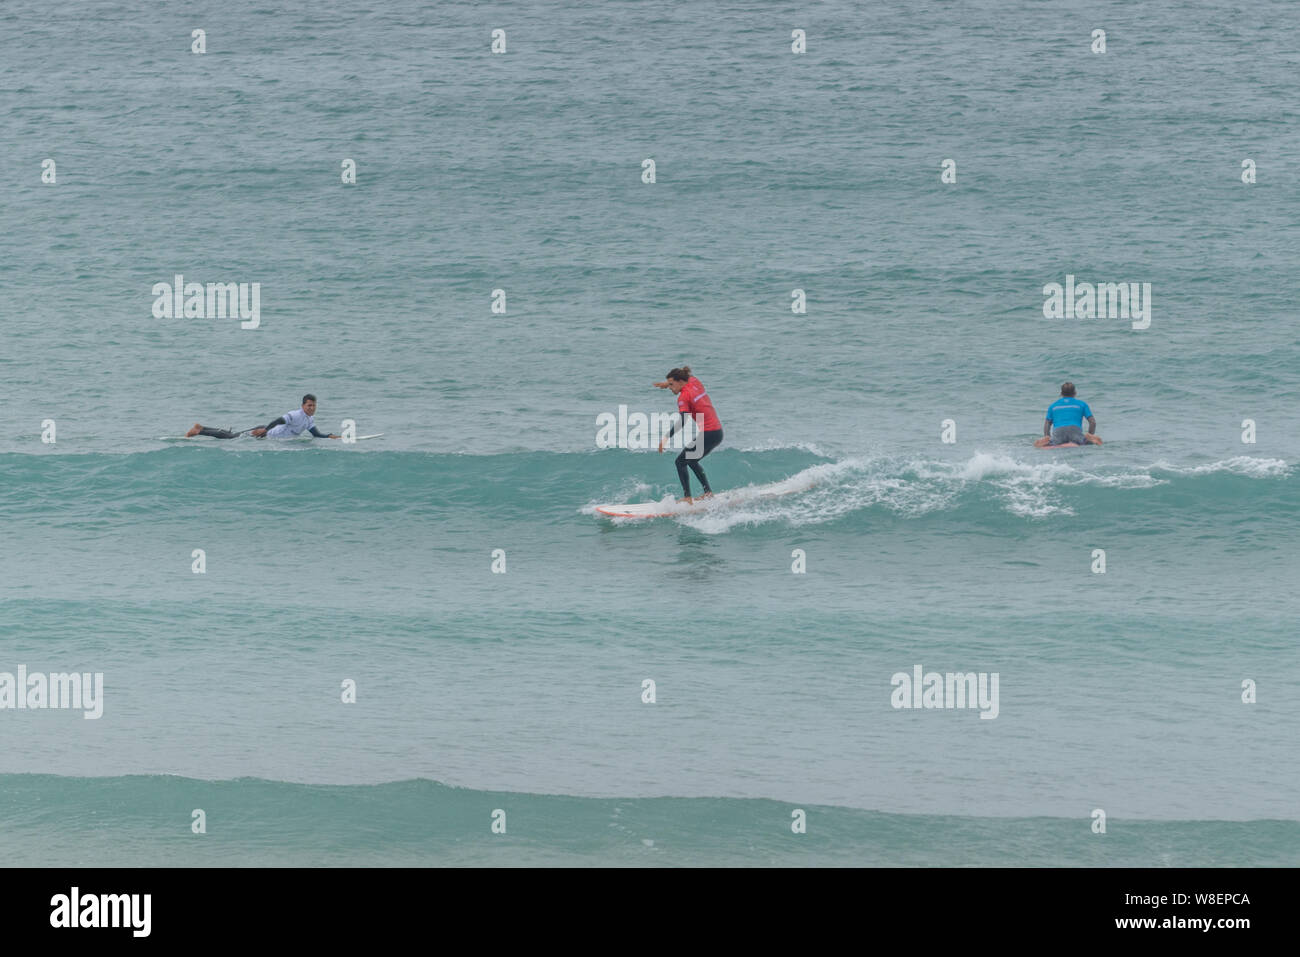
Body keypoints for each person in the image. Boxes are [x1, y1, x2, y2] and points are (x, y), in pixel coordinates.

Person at [652, 366, 723, 503]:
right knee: (691, 460)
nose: (670, 388)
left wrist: (666, 437)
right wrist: (667, 383)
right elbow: (685, 377)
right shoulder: (694, 382)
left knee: (680, 462)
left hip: (709, 433)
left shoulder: (683, 397)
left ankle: (687, 497)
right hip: (717, 433)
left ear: (680, 382)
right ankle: (707, 493)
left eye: (672, 385)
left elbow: (683, 420)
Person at [185, 394, 340, 440]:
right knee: (231, 437)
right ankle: (199, 431)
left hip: (266, 433)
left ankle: (202, 428)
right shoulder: (295, 415)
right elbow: (278, 420)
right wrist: (263, 430)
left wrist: (330, 436)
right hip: (264, 433)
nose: (312, 408)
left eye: (314, 405)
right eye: (309, 405)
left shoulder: (309, 419)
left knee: (233, 434)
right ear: (303, 406)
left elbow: (316, 434)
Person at [1034, 382, 1102, 447]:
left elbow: (1047, 423)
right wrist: (1090, 434)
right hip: (1075, 432)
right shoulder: (1082, 404)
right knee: (1086, 442)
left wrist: (1047, 436)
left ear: (1061, 393)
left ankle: (1045, 441)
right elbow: (1092, 422)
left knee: (1045, 443)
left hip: (1058, 433)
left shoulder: (1053, 406)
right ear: (1075, 393)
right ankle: (1088, 437)